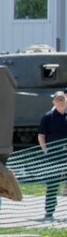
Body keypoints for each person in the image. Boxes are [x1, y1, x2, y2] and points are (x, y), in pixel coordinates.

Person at [38, 90, 67, 220]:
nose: (61, 101)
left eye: (63, 99)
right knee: (52, 184)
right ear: (53, 101)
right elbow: (41, 135)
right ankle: (49, 212)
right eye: (58, 99)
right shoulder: (48, 116)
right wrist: (45, 150)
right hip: (53, 155)